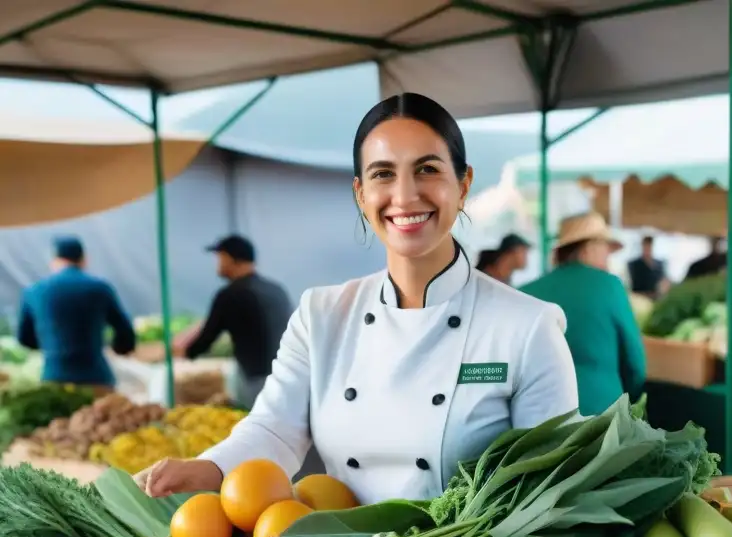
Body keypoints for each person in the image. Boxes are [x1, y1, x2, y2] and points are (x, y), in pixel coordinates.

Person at [138, 93, 579, 503]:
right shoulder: (322, 315)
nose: (405, 196)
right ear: (360, 194)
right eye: (383, 174)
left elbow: (546, 489)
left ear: (463, 185)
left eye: (427, 169)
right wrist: (205, 468)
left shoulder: (527, 327)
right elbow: (275, 429)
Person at [520, 212, 646, 416]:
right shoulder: (609, 286)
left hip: (538, 418)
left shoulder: (526, 291)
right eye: (606, 249)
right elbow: (635, 363)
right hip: (600, 417)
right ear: (589, 248)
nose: (608, 258)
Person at [174, 235, 292, 409]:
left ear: (228, 258)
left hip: (256, 381)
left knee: (254, 428)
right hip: (288, 377)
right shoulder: (276, 289)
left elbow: (206, 338)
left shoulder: (230, 295)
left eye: (220, 258)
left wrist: (184, 352)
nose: (218, 264)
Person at [17, 236, 135, 391]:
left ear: (54, 260)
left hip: (55, 379)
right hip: (96, 378)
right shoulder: (100, 288)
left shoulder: (34, 292)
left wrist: (53, 346)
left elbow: (25, 339)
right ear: (84, 259)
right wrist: (118, 348)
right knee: (101, 415)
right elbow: (126, 335)